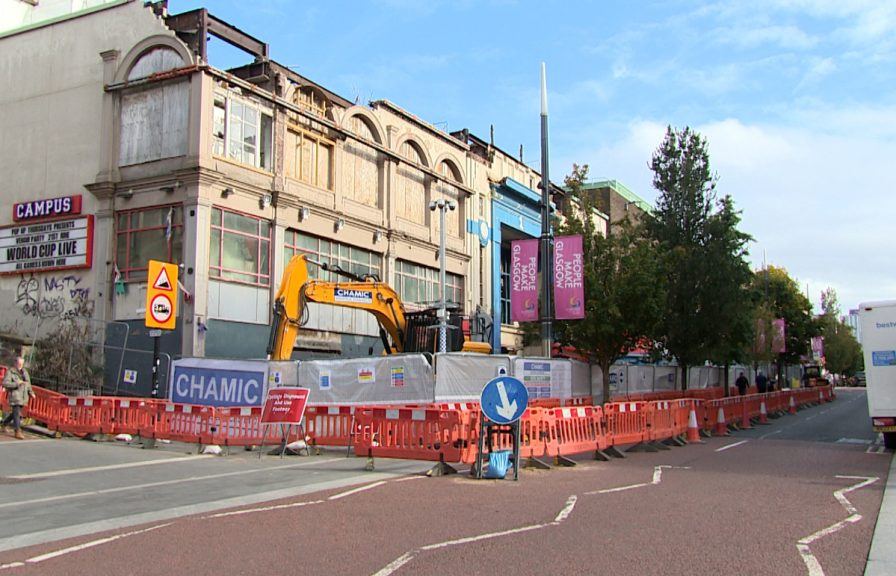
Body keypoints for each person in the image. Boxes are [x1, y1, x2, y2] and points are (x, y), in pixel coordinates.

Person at [2, 357, 34, 440]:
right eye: (19, 363)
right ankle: (17, 431)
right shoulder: (10, 372)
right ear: (15, 363)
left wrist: (31, 393)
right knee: (16, 413)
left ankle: (4, 424)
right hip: (15, 395)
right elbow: (5, 383)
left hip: (23, 396)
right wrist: (17, 383)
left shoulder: (25, 372)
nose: (20, 365)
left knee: (15, 413)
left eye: (22, 364)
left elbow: (28, 384)